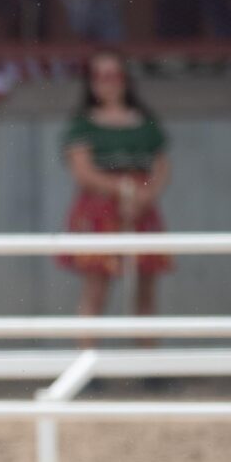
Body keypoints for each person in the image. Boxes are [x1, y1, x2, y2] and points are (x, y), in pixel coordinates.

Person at [57, 50, 172, 329]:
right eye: (100, 76)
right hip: (100, 209)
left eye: (114, 75)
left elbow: (161, 167)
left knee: (144, 292)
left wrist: (144, 195)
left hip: (140, 209)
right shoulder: (82, 124)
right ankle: (88, 364)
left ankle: (148, 366)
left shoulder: (145, 122)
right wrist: (122, 189)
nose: (108, 83)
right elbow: (83, 171)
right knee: (96, 289)